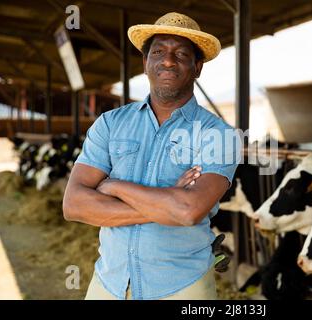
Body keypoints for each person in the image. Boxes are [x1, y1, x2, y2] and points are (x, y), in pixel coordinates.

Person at [62, 12, 241, 300]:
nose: (168, 60)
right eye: (158, 52)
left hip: (182, 287)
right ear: (146, 63)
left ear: (197, 67)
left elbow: (188, 211)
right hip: (110, 283)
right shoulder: (110, 123)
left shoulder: (219, 134)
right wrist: (167, 201)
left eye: (181, 54)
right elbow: (73, 206)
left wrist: (113, 187)